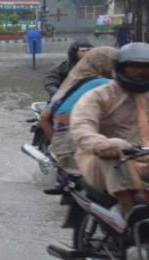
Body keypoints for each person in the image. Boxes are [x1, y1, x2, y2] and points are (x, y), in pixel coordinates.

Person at [71, 43, 149, 216]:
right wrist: (99, 144)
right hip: (103, 159)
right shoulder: (99, 95)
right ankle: (128, 212)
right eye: (133, 68)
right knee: (116, 145)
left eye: (146, 69)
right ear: (121, 69)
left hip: (145, 159)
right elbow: (81, 125)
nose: (140, 73)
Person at [38, 47, 117, 188]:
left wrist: (57, 144)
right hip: (81, 149)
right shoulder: (105, 85)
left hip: (62, 151)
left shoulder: (72, 83)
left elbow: (43, 119)